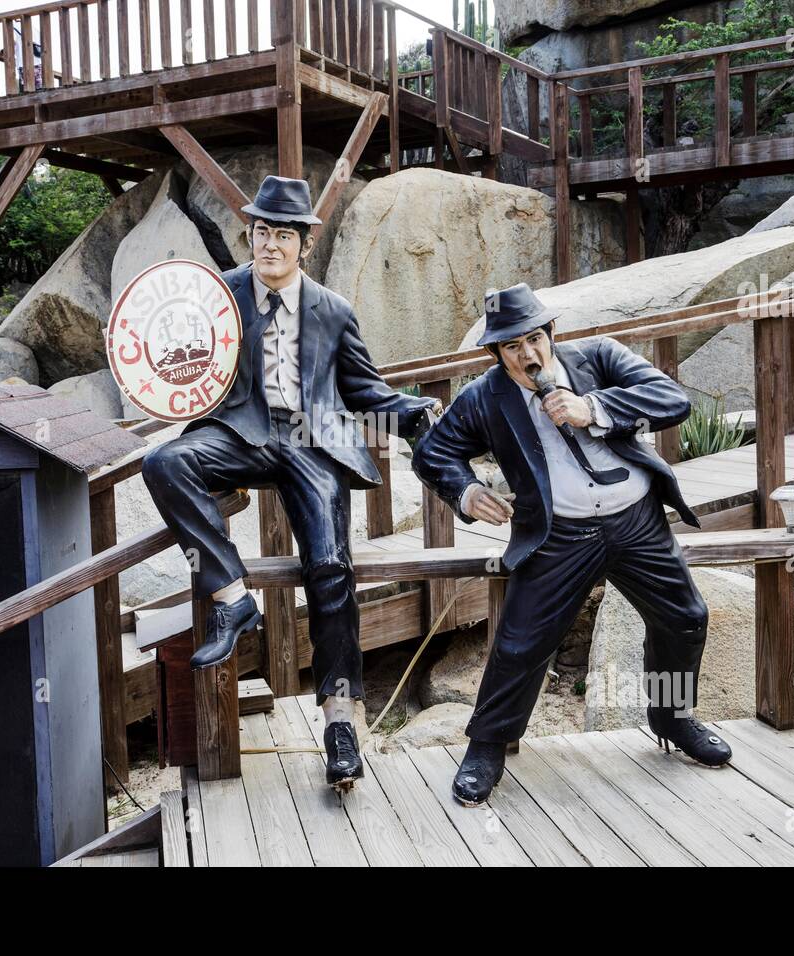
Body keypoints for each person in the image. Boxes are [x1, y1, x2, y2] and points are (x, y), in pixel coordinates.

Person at [142, 175, 439, 792]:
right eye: (260, 232)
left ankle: (339, 721)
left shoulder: (332, 310)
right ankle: (232, 598)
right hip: (241, 428)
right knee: (166, 463)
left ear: (304, 242)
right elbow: (180, 361)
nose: (269, 244)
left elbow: (363, 390)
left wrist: (408, 412)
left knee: (330, 567)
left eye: (283, 234)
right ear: (248, 235)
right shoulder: (218, 296)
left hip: (310, 435)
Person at [412, 283, 731, 807]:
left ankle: (673, 719)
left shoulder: (598, 359)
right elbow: (433, 452)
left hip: (636, 520)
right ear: (497, 352)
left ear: (551, 334)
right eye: (512, 346)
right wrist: (466, 491)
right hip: (560, 532)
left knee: (685, 617)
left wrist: (594, 408)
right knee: (521, 641)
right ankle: (488, 745)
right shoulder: (485, 397)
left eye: (535, 339)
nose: (528, 354)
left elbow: (674, 401)